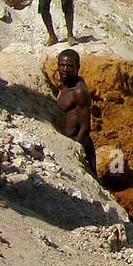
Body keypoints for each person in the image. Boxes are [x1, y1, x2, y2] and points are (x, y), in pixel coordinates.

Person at [55, 48, 96, 178]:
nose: (65, 69)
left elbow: (85, 127)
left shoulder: (78, 92)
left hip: (77, 143)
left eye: (69, 66)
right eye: (62, 65)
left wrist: (76, 151)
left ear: (78, 67)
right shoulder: (65, 85)